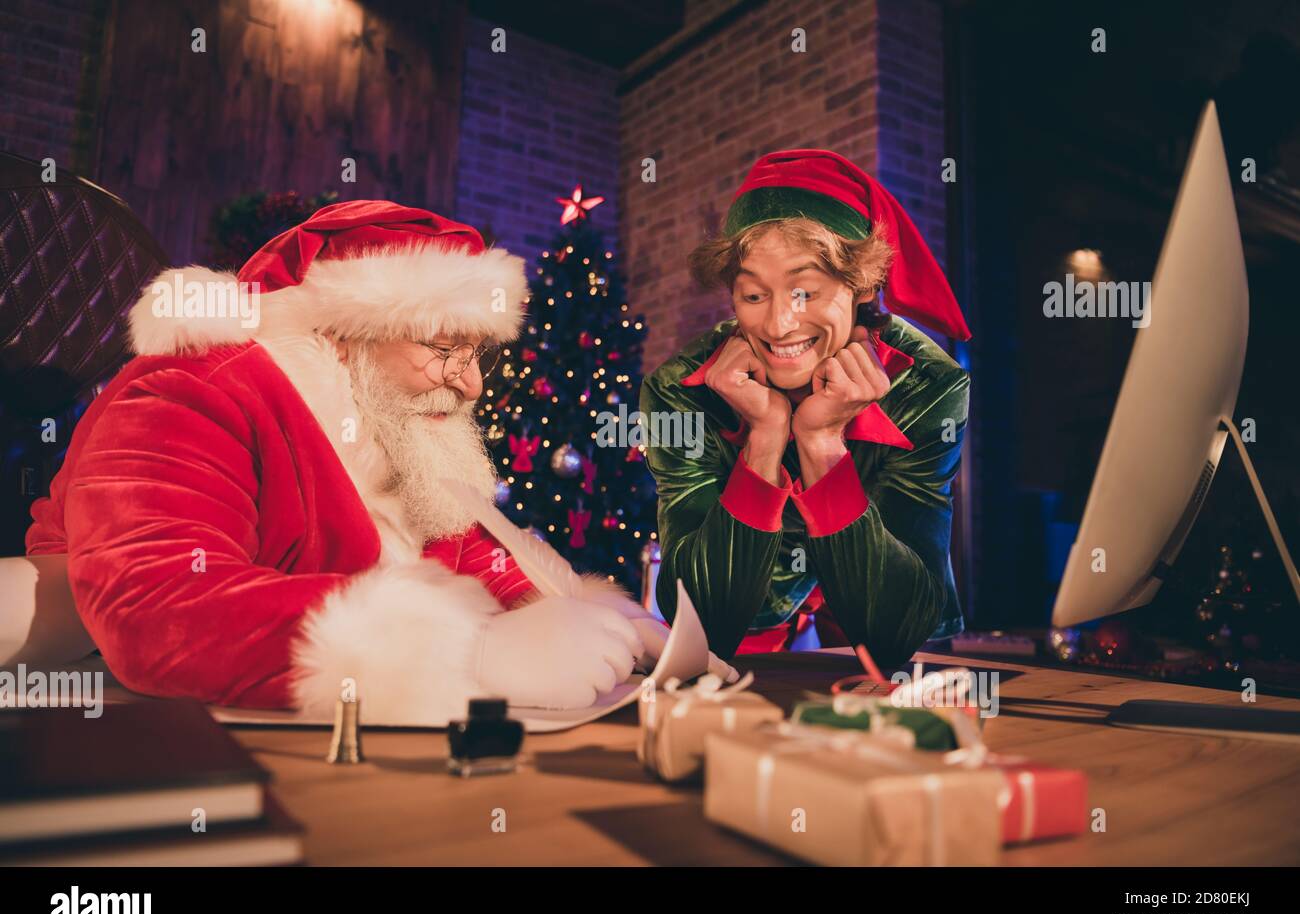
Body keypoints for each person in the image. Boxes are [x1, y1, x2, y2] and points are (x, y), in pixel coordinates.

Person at [26, 200, 647, 723]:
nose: (472, 387)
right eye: (444, 348)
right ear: (343, 336)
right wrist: (465, 655)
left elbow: (475, 550)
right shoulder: (195, 388)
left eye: (475, 354)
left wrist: (596, 616)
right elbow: (158, 605)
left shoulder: (395, 426)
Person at [641, 149, 972, 669]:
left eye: (805, 291)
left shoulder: (928, 388)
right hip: (739, 664)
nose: (778, 325)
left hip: (877, 675)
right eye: (753, 295)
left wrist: (821, 445)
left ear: (862, 285)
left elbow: (901, 628)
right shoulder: (678, 390)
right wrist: (766, 437)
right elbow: (698, 616)